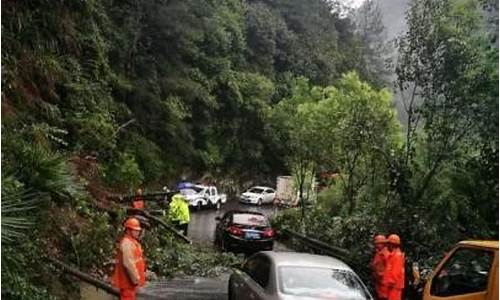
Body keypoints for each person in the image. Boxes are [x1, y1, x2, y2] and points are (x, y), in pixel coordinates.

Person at [112, 217, 146, 300]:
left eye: (138, 230)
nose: (138, 232)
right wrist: (136, 280)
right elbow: (128, 264)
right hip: (128, 284)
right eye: (135, 230)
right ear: (128, 230)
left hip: (130, 285)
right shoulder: (126, 243)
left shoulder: (132, 242)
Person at [383, 234, 405, 300]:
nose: (387, 246)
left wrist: (389, 283)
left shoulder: (397, 256)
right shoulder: (393, 255)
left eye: (388, 244)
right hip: (392, 286)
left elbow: (395, 273)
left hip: (394, 287)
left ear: (392, 244)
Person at [371, 234, 389, 300]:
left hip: (383, 284)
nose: (376, 245)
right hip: (378, 283)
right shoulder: (378, 253)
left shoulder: (385, 254)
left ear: (383, 244)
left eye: (378, 244)